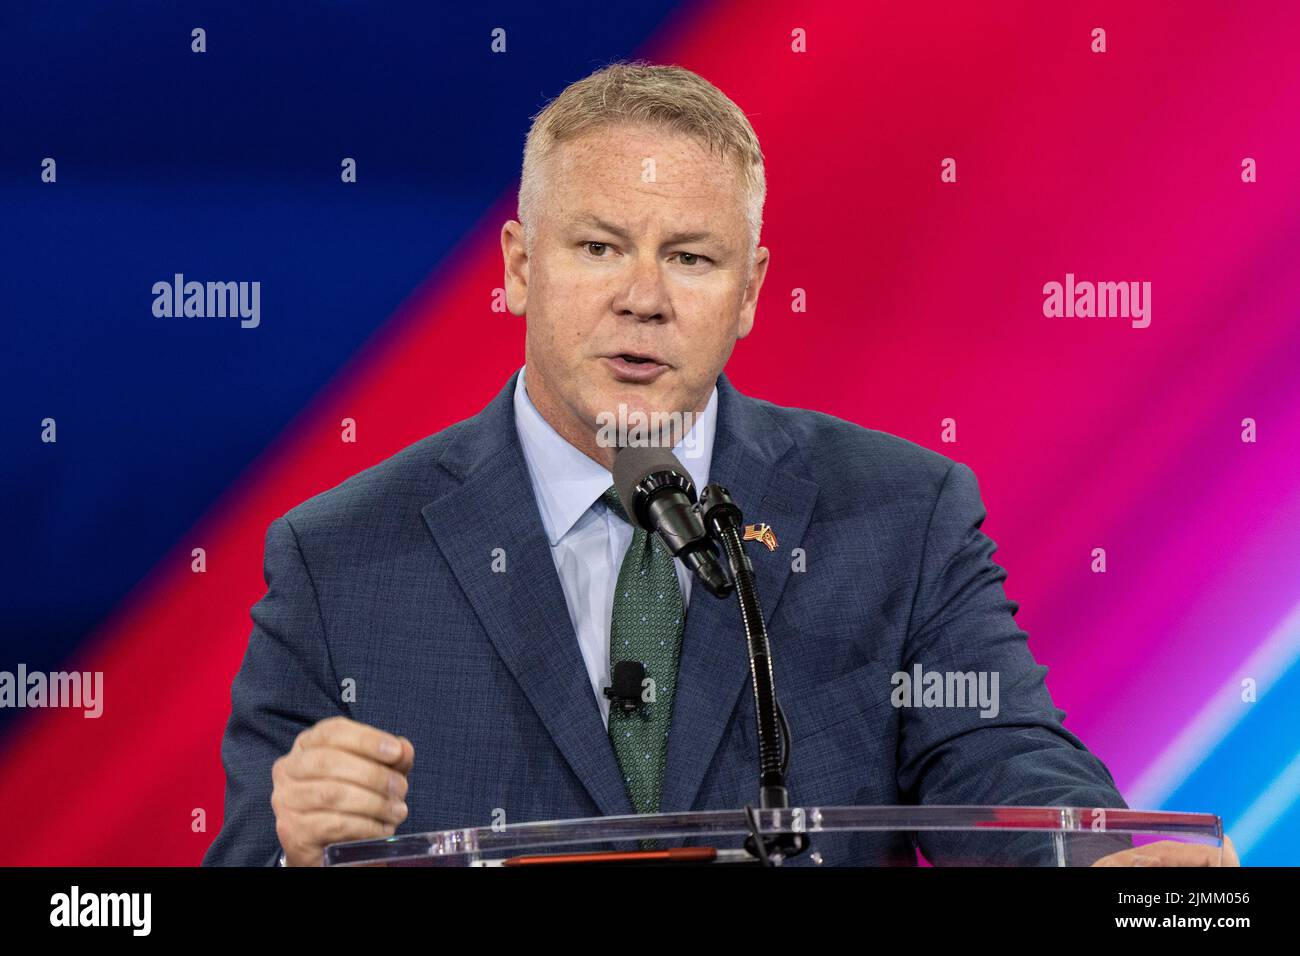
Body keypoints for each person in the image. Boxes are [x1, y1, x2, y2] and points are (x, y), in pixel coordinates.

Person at [202, 61, 1231, 868]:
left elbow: (1001, 757)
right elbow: (252, 848)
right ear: (518, 267)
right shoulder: (341, 560)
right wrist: (298, 850)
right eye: (599, 247)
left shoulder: (898, 514)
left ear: (748, 292)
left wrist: (1109, 861)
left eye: (690, 258)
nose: (643, 298)